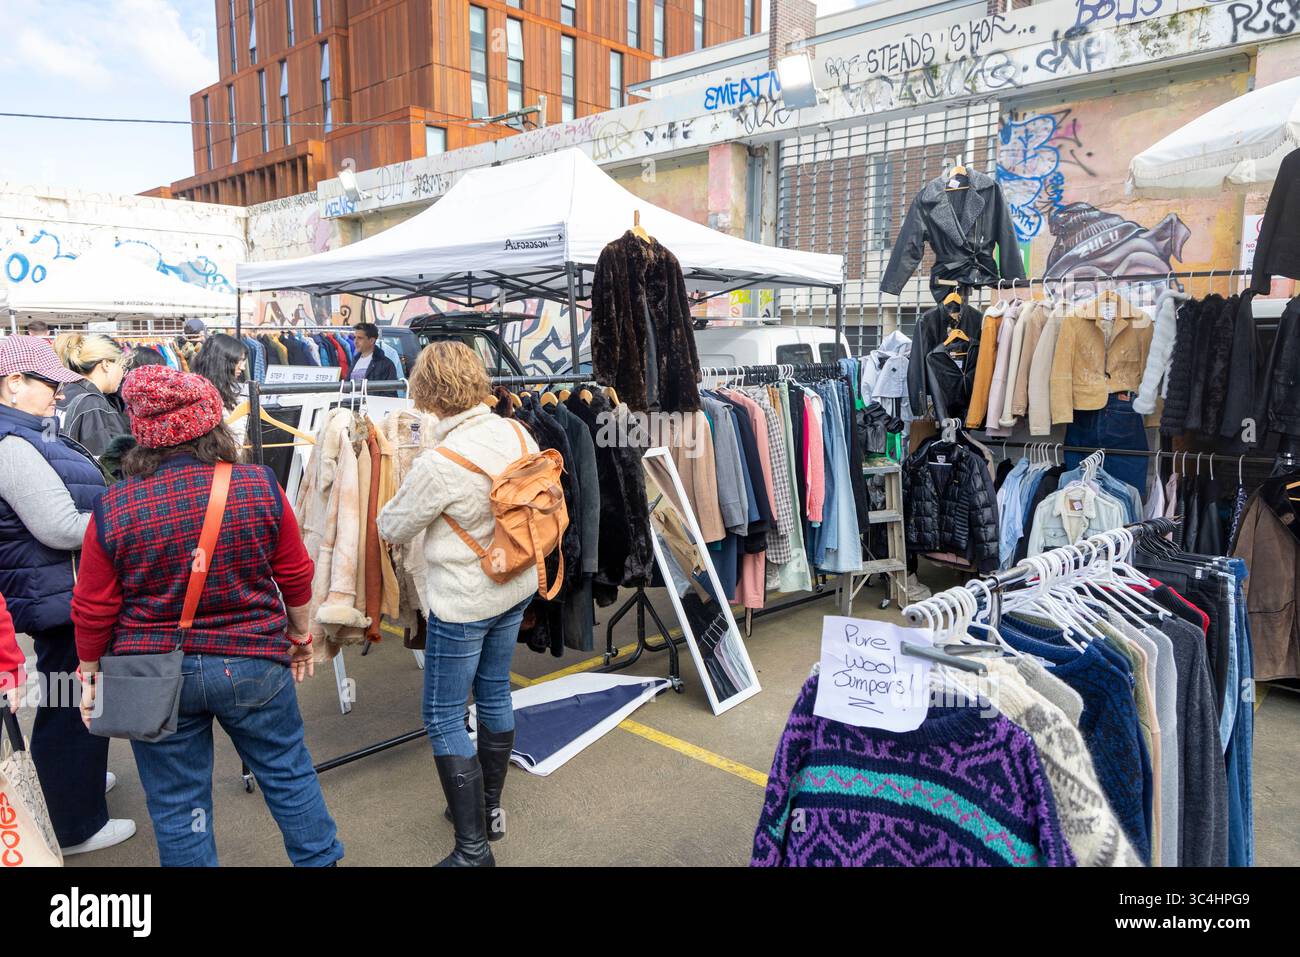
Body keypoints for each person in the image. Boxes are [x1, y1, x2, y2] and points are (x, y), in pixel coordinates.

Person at [72, 365, 342, 867]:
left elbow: (93, 605)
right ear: (213, 423)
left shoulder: (114, 506)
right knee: (288, 774)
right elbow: (295, 573)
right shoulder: (259, 485)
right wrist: (300, 634)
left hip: (150, 672)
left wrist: (89, 672)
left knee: (179, 806)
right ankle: (319, 861)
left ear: (141, 434)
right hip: (251, 658)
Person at [378, 341, 538, 868]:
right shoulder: (517, 431)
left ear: (426, 392)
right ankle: (488, 811)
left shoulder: (440, 462)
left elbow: (392, 525)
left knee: (444, 714)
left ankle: (472, 851)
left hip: (464, 601)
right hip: (515, 585)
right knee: (493, 692)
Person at [0, 336, 135, 855]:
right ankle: (75, 822)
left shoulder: (21, 435)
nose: (58, 395)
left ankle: (75, 788)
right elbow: (57, 526)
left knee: (71, 700)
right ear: (15, 383)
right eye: (49, 385)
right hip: (60, 593)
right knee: (71, 704)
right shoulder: (13, 444)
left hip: (57, 589)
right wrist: (118, 522)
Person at [53, 332, 131, 458]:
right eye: (122, 366)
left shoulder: (62, 392)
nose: (123, 374)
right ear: (105, 364)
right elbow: (107, 466)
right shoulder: (94, 404)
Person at [191, 333, 249, 446]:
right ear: (223, 362)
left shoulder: (224, 391)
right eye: (239, 361)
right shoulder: (200, 398)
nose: (243, 367)